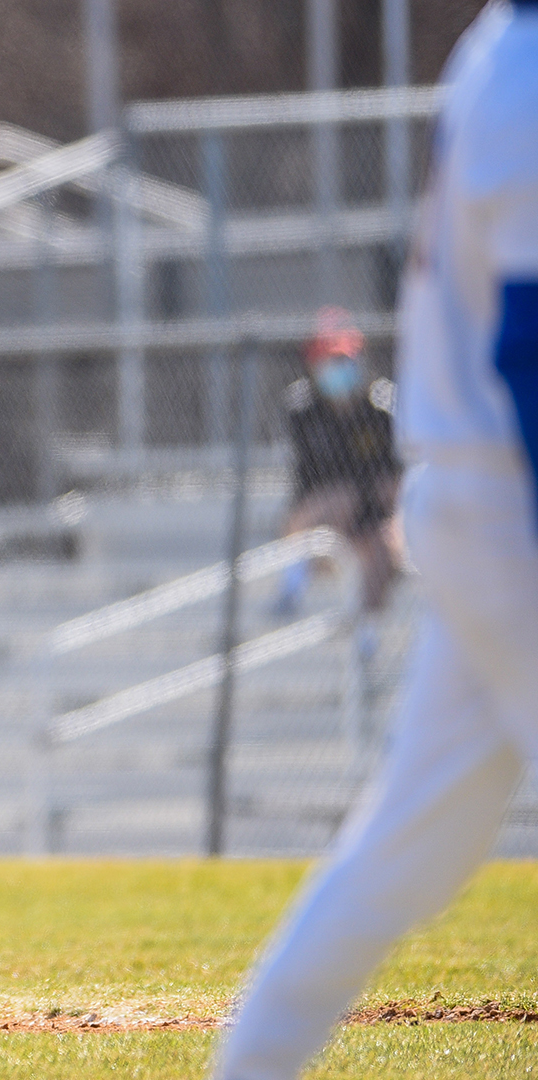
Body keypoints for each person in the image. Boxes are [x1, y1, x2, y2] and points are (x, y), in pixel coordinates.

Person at [211, 4, 538, 1077]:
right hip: (509, 504)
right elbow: (527, 351)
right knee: (390, 864)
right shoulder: (524, 75)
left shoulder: (497, 43)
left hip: (480, 508)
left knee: (393, 865)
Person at [274, 307, 404, 622]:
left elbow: (396, 481)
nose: (338, 369)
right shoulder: (303, 412)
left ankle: (367, 633)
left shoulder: (382, 408)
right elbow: (307, 482)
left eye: (345, 360)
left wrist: (367, 497)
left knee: (384, 544)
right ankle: (290, 589)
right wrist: (344, 498)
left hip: (377, 512)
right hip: (328, 514)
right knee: (328, 506)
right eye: (330, 362)